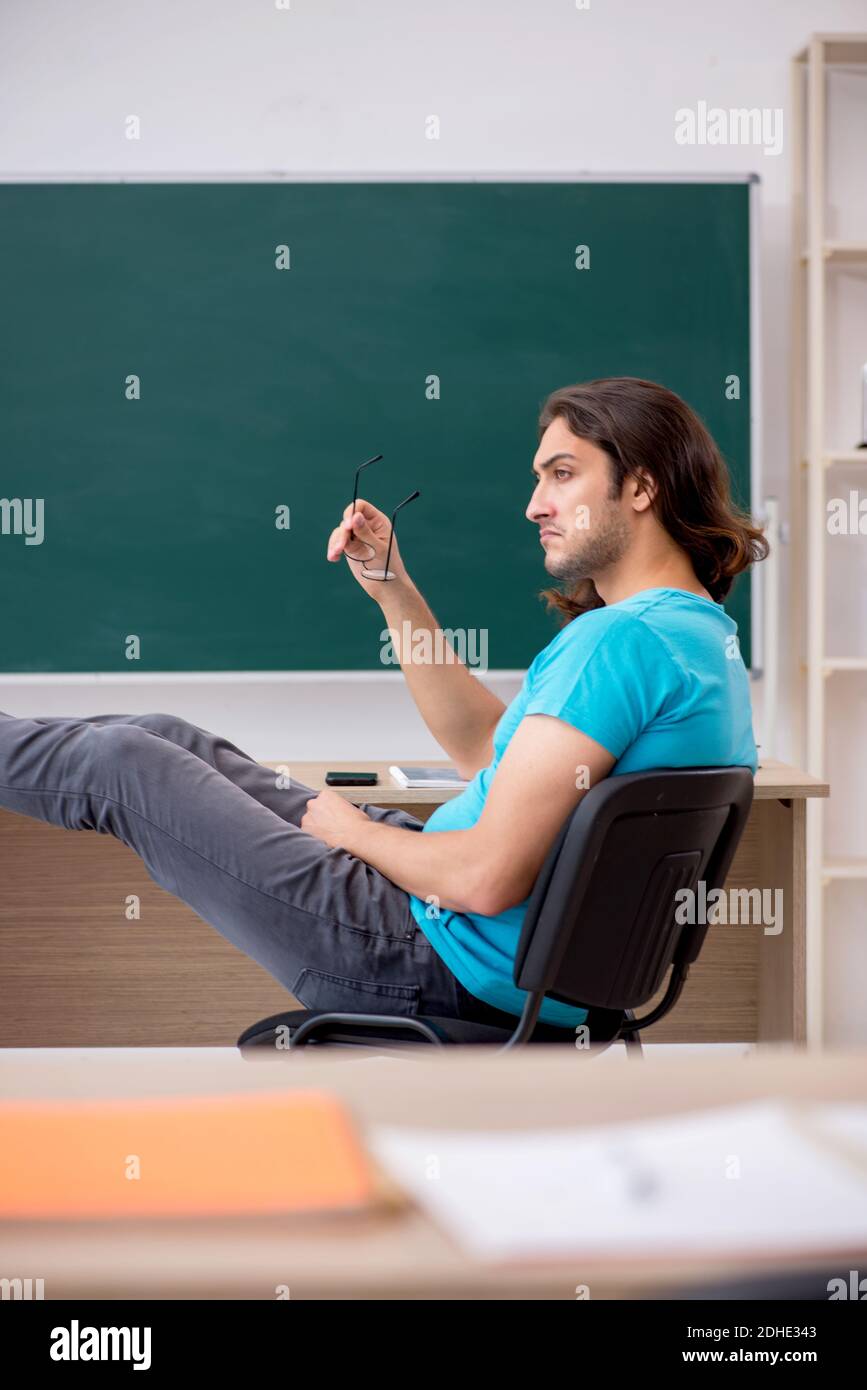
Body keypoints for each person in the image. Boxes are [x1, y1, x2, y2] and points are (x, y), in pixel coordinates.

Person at [0, 377, 767, 1036]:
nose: (534, 505)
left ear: (640, 486)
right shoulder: (694, 637)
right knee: (162, 736)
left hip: (424, 953)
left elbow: (484, 880)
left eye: (562, 475)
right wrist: (393, 586)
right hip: (476, 944)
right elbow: (485, 750)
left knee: (120, 763)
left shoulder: (617, 642)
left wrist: (355, 831)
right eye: (538, 479)